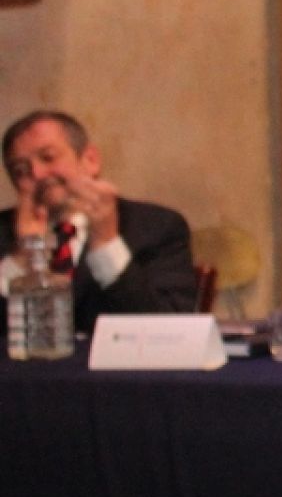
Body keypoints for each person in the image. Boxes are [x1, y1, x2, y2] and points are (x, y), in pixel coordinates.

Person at [1, 110, 197, 332]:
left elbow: (168, 330)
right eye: (21, 170)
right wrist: (22, 260)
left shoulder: (156, 226)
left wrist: (106, 244)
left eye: (48, 158)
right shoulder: (5, 234)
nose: (37, 174)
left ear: (90, 160)